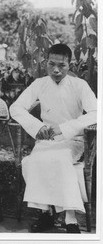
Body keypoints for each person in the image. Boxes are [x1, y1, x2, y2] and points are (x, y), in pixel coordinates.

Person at [10, 44, 97, 233]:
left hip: (72, 140)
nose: (56, 70)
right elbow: (16, 108)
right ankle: (45, 213)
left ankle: (70, 218)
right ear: (46, 62)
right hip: (46, 140)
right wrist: (37, 126)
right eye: (51, 64)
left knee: (59, 159)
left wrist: (64, 128)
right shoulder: (39, 84)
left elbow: (96, 112)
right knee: (32, 161)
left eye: (62, 65)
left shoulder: (79, 85)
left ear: (70, 64)